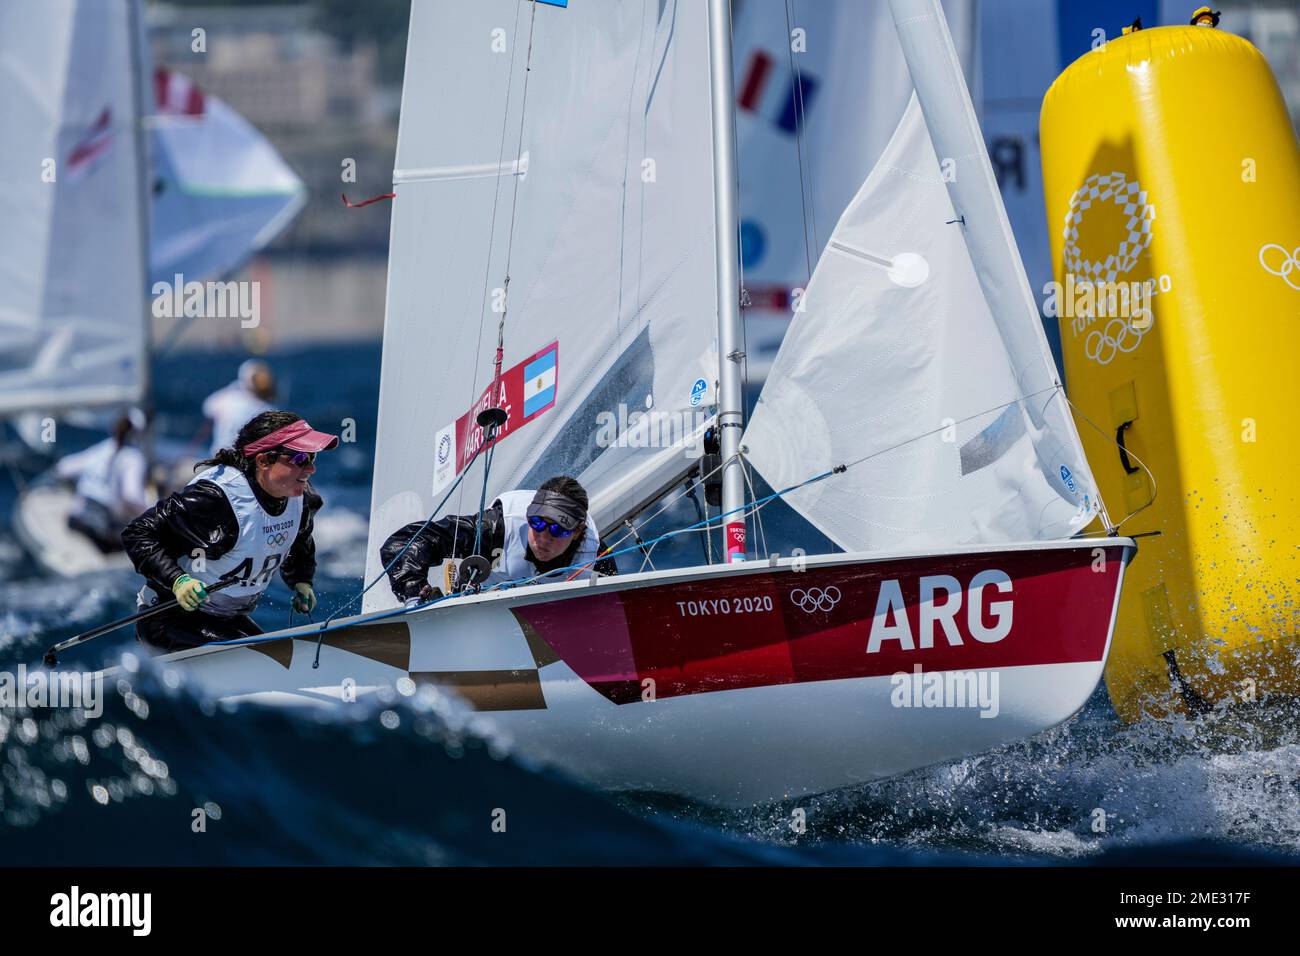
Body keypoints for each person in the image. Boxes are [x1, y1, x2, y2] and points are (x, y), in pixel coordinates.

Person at [122, 411, 337, 653]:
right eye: (299, 459)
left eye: (312, 457)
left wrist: (301, 580)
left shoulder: (302, 499)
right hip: (170, 619)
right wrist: (178, 580)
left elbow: (300, 540)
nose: (310, 469)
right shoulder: (214, 498)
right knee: (266, 657)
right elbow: (138, 532)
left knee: (282, 654)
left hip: (226, 620)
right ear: (264, 461)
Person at [380, 475, 617, 604]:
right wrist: (412, 590)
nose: (543, 537)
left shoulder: (596, 557)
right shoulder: (497, 528)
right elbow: (403, 542)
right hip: (480, 609)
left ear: (577, 532)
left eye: (557, 530)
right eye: (537, 523)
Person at [55, 409, 150, 553]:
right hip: (101, 530)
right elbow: (131, 496)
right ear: (139, 433)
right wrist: (152, 515)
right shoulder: (134, 458)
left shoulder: (104, 448)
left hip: (77, 518)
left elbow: (63, 468)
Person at [202, 359, 277, 457]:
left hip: (218, 456)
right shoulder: (266, 408)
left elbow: (208, 408)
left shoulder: (224, 397)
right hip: (241, 459)